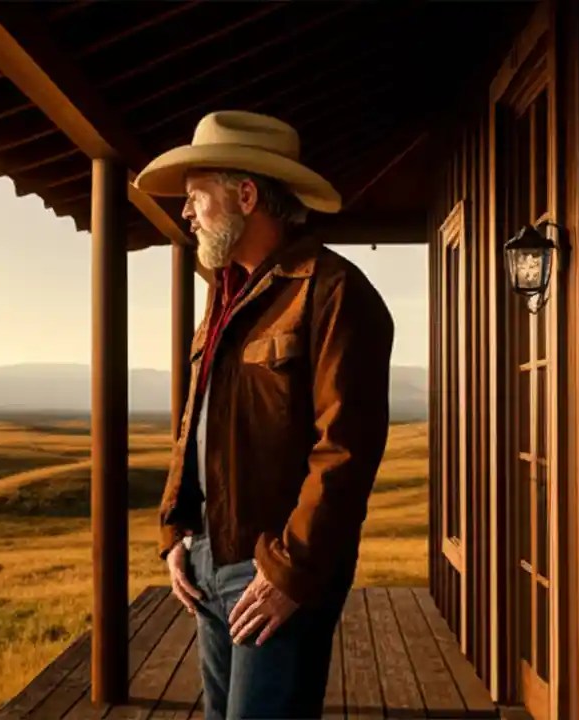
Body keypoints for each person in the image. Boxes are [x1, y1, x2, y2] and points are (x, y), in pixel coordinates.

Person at [133, 110, 394, 720]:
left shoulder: (333, 292)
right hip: (210, 562)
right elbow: (194, 423)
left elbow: (345, 452)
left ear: (246, 195)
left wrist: (288, 570)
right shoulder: (225, 295)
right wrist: (177, 532)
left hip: (275, 572)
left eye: (197, 196)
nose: (187, 213)